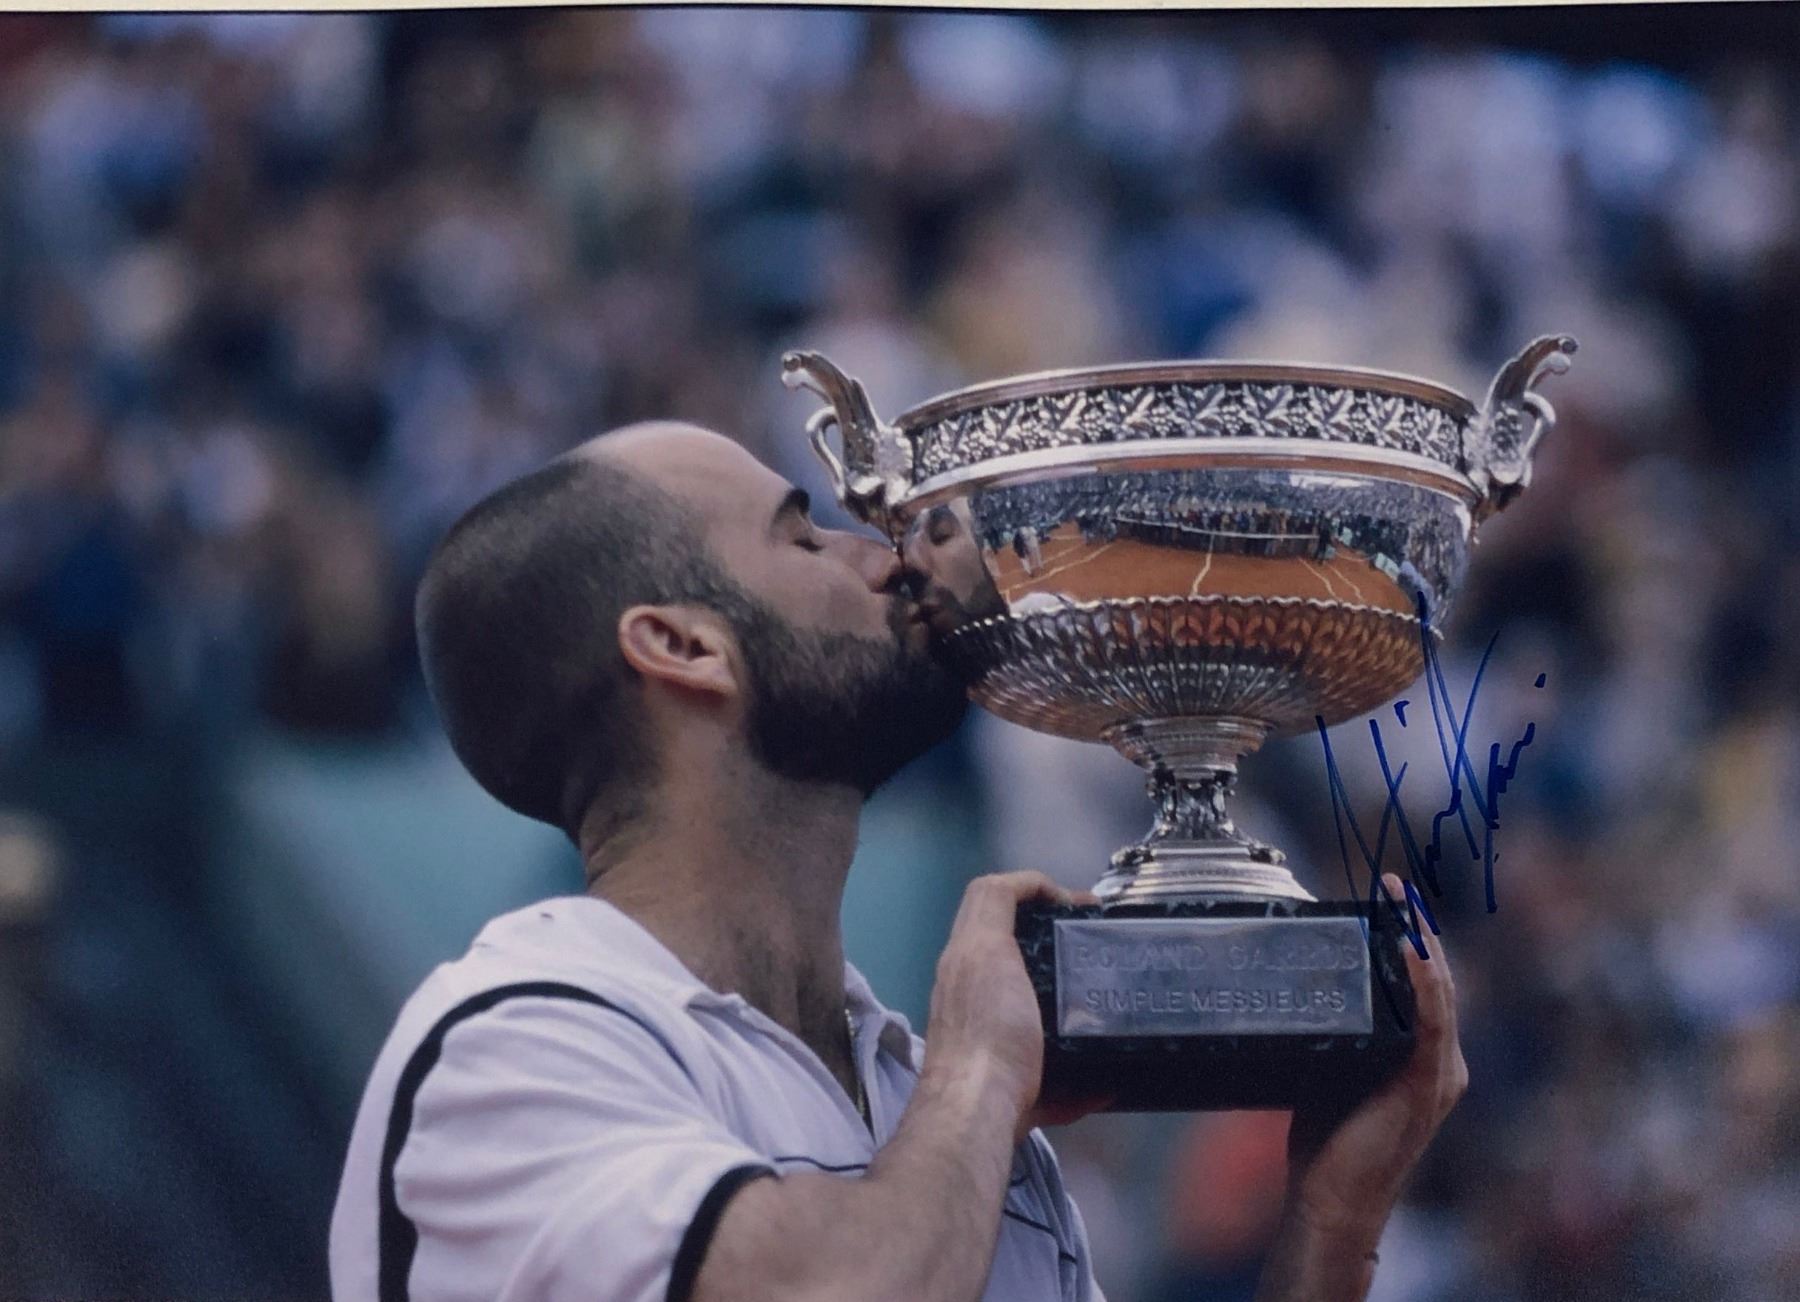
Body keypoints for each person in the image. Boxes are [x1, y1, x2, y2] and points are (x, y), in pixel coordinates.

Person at [328, 421, 1468, 1302]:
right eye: (801, 533)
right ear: (681, 647)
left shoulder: (935, 1124)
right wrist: (976, 1074)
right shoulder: (515, 1042)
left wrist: (1331, 1221)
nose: (878, 560)